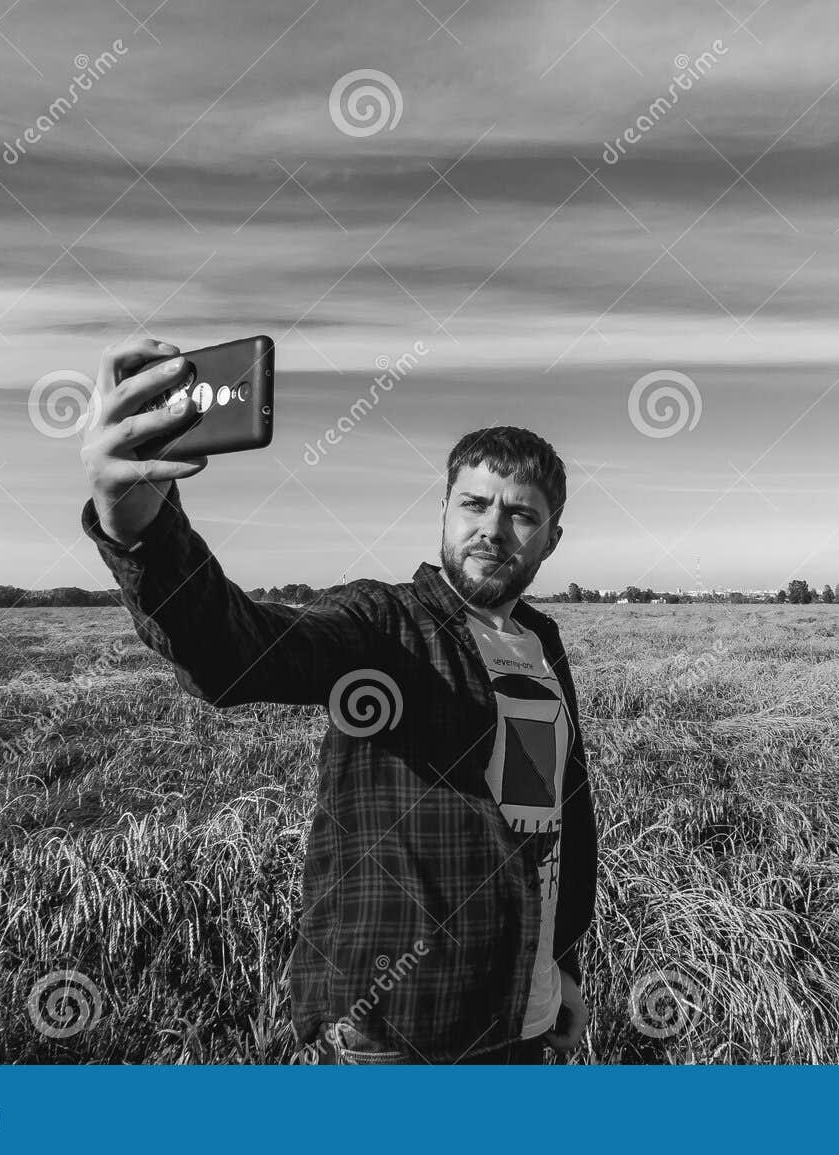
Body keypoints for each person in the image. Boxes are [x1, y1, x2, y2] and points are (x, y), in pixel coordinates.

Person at [75, 338, 597, 1064]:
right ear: (443, 509)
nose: (491, 528)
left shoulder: (543, 642)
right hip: (397, 1030)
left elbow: (557, 820)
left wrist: (562, 967)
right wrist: (140, 527)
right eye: (474, 503)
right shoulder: (383, 623)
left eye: (521, 514)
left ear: (552, 537)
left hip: (523, 1017)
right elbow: (236, 652)